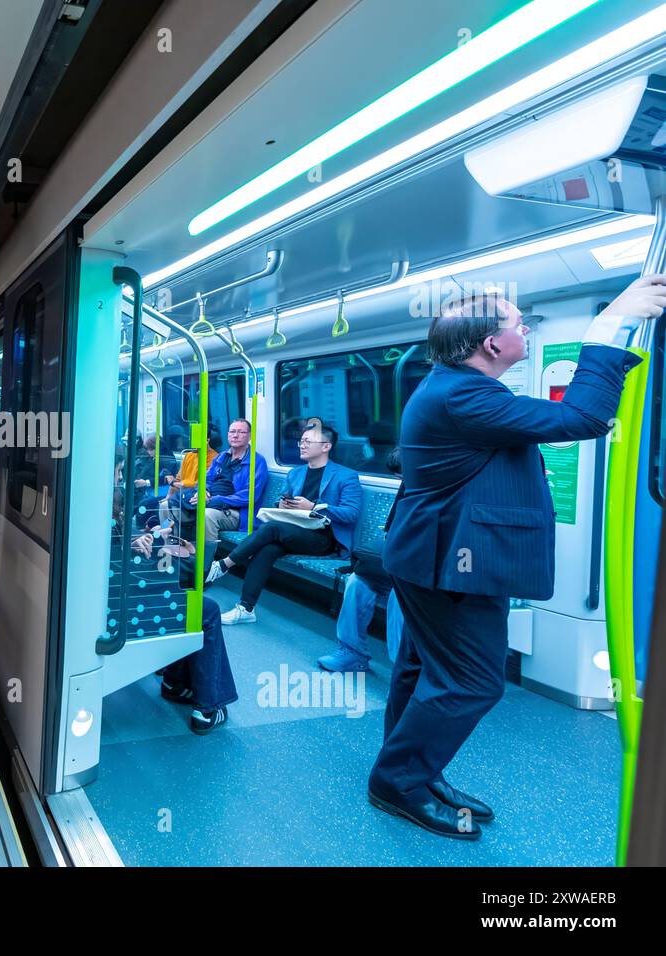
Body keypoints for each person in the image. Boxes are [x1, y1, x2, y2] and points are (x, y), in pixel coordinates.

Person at [367, 281, 661, 841]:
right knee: (473, 682)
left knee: (422, 670)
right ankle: (398, 781)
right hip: (448, 563)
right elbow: (583, 420)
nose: (524, 329)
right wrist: (604, 330)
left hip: (432, 555)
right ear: (490, 344)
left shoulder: (456, 387)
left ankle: (414, 771)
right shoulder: (464, 396)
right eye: (516, 323)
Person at [206, 420, 362, 625]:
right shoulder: (296, 473)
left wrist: (314, 507)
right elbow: (281, 499)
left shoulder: (346, 476)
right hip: (294, 530)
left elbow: (351, 513)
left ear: (326, 446)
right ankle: (245, 609)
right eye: (301, 441)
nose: (302, 445)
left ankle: (223, 565)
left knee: (272, 529)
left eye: (308, 441)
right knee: (267, 549)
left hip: (324, 538)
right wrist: (282, 504)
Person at [131, 530, 239, 734]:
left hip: (116, 602)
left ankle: (175, 683)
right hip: (129, 613)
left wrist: (153, 538)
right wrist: (188, 556)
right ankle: (207, 710)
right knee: (206, 609)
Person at [317, 447, 404, 673]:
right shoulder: (408, 489)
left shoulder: (443, 493)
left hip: (421, 569)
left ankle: (404, 668)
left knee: (401, 594)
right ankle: (352, 652)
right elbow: (389, 530)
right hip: (398, 559)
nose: (402, 481)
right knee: (358, 581)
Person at [198, 418, 269, 547]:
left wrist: (219, 499)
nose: (235, 435)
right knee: (168, 505)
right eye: (232, 432)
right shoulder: (221, 457)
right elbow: (206, 480)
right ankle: (175, 555)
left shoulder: (257, 462)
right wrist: (204, 492)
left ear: (249, 436)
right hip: (212, 501)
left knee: (207, 515)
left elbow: (250, 495)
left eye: (241, 432)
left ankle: (205, 564)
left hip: (239, 512)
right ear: (228, 435)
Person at [157, 428, 221, 537]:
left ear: (207, 440)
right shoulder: (189, 456)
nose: (193, 443)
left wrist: (175, 484)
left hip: (194, 496)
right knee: (163, 504)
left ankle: (177, 540)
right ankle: (166, 539)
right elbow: (178, 478)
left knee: (170, 506)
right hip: (181, 494)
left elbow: (198, 483)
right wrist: (169, 495)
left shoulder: (214, 458)